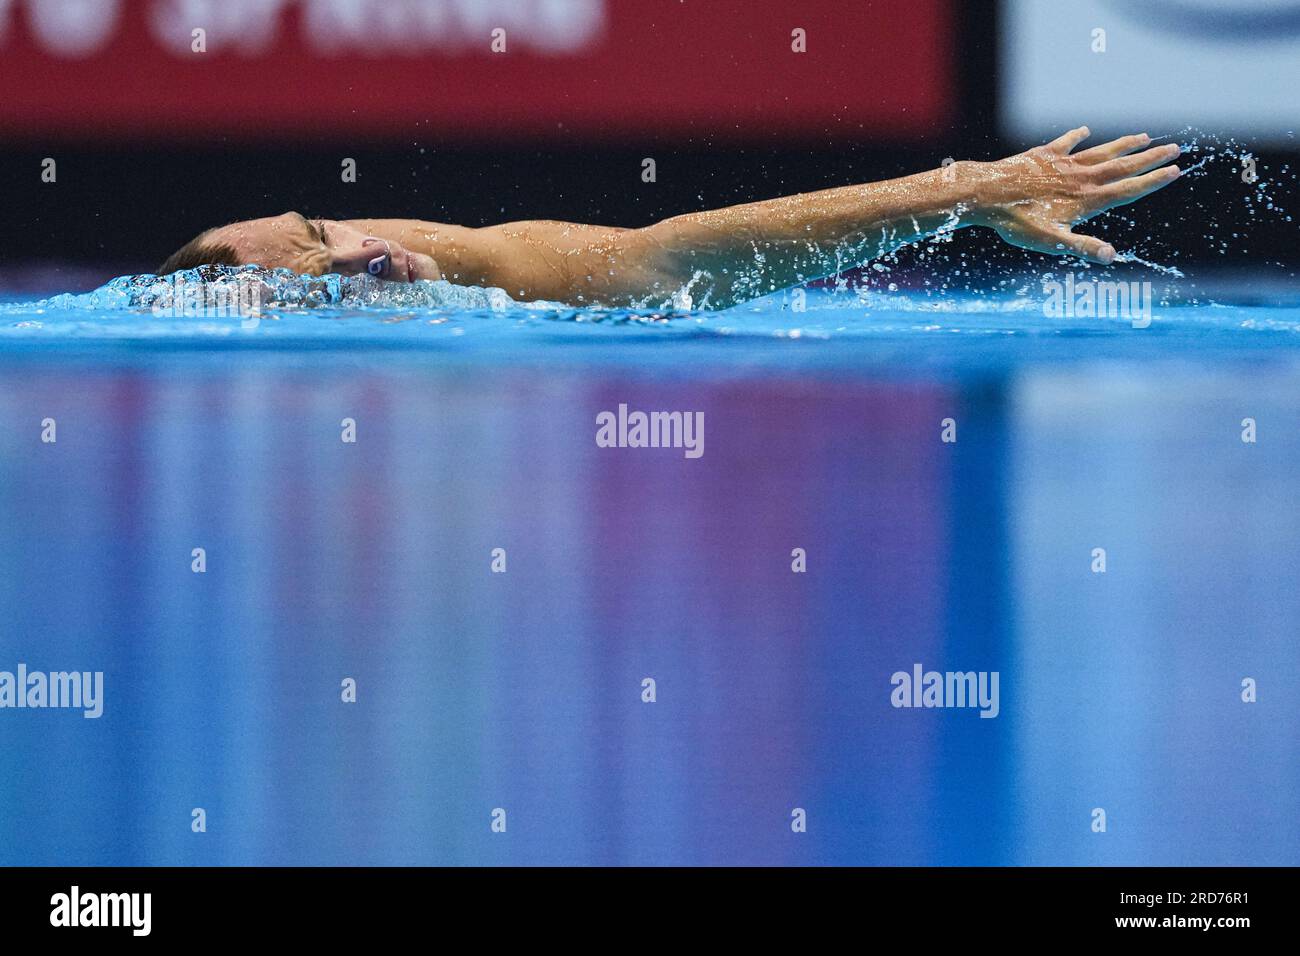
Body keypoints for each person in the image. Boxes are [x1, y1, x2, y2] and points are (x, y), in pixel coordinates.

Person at [157, 128, 1180, 309]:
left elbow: (668, 261)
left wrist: (969, 191)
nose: (365, 248)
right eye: (330, 273)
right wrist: (973, 188)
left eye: (325, 222)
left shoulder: (441, 267)